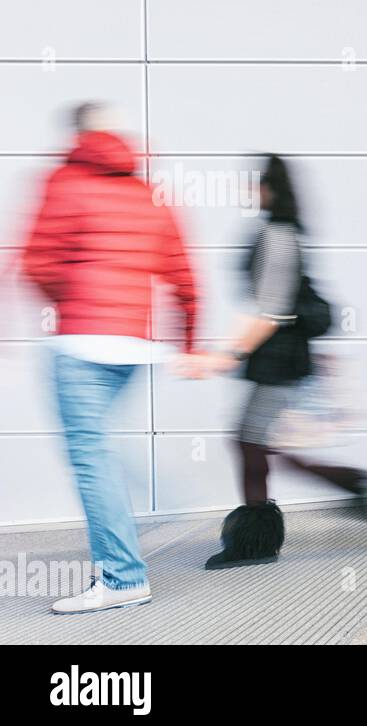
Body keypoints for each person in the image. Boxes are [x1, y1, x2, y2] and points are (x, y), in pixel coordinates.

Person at [22, 102, 200, 613]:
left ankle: (122, 578)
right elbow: (185, 277)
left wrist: (67, 301)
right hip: (134, 346)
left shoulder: (64, 180)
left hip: (83, 341)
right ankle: (118, 568)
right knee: (99, 454)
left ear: (78, 133)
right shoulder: (148, 192)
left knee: (91, 457)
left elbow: (38, 259)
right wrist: (186, 343)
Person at [199, 155, 367, 569]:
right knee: (260, 442)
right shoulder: (277, 232)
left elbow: (273, 310)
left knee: (250, 441)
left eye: (253, 184)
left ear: (269, 187)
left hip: (280, 359)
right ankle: (352, 490)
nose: (246, 191)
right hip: (276, 356)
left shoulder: (278, 236)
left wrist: (227, 355)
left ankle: (256, 543)